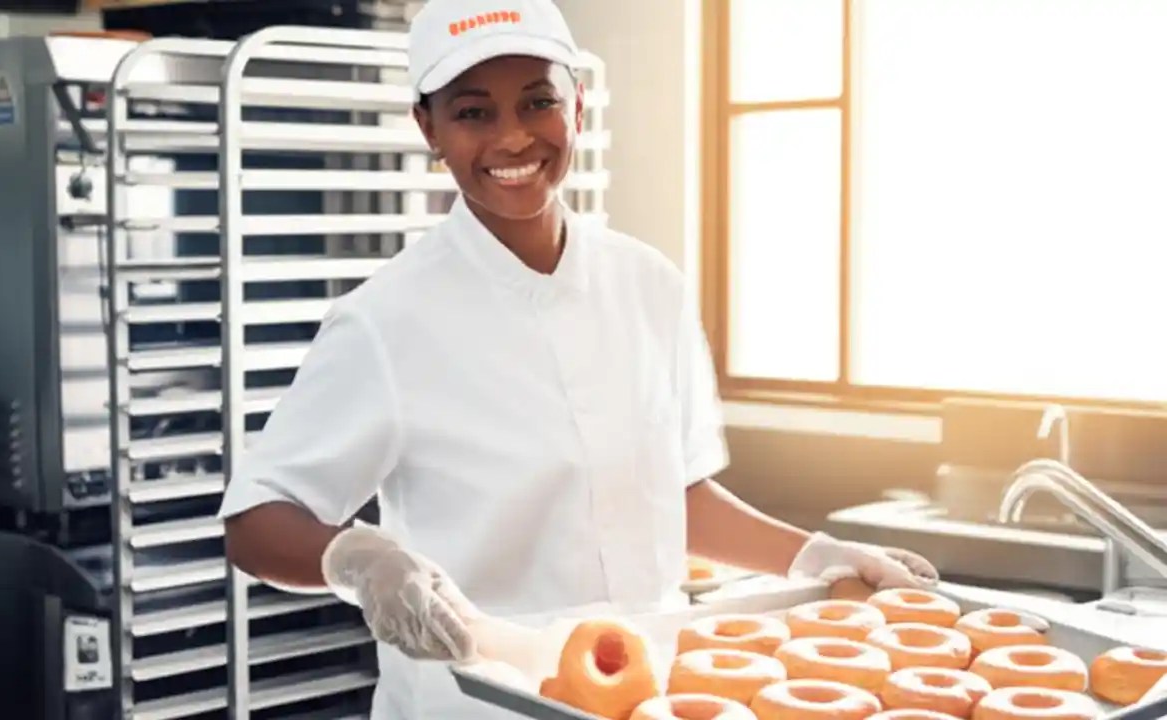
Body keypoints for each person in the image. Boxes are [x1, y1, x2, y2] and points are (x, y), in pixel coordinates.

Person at [218, 0, 939, 717]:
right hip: (473, 707)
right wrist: (360, 561)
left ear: (578, 107)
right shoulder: (386, 320)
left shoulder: (649, 285)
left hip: (648, 696)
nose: (512, 137)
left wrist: (814, 555)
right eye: (473, 113)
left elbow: (675, 496)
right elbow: (255, 520)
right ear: (428, 128)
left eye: (538, 102)